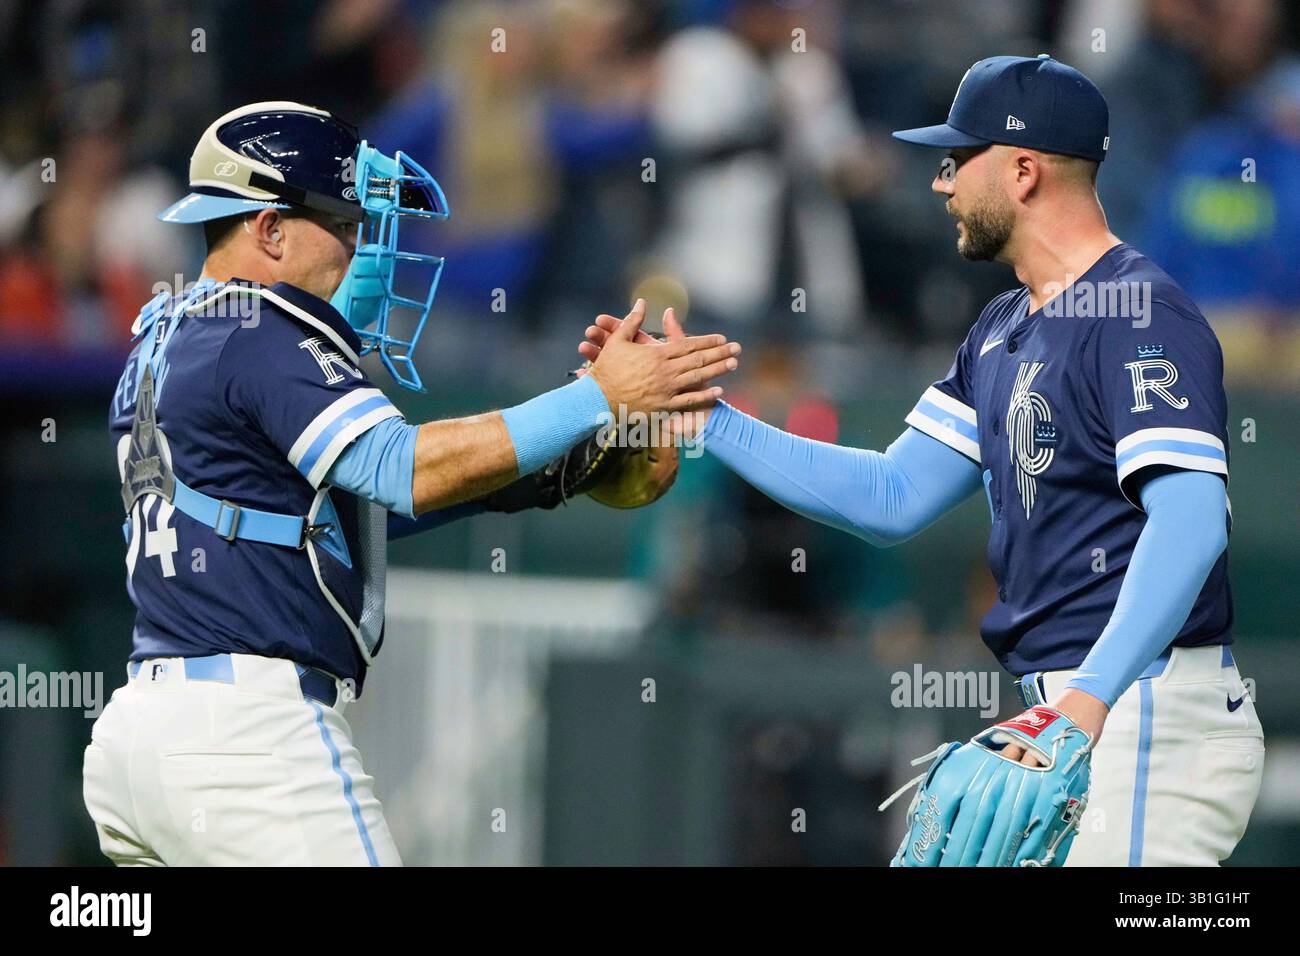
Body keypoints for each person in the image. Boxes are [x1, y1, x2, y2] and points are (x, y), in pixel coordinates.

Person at [582, 56, 1264, 866]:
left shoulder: (1137, 311)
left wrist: (1084, 704)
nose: (941, 185)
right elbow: (891, 492)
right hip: (1075, 713)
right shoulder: (1005, 325)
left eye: (956, 160)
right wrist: (709, 417)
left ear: (1022, 170)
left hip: (1146, 716)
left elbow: (1189, 522)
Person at [82, 101, 739, 866]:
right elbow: (398, 468)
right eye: (347, 226)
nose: (361, 251)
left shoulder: (169, 336)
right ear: (269, 229)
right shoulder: (261, 330)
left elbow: (331, 515)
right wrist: (597, 399)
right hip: (246, 744)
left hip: (141, 738)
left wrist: (554, 466)